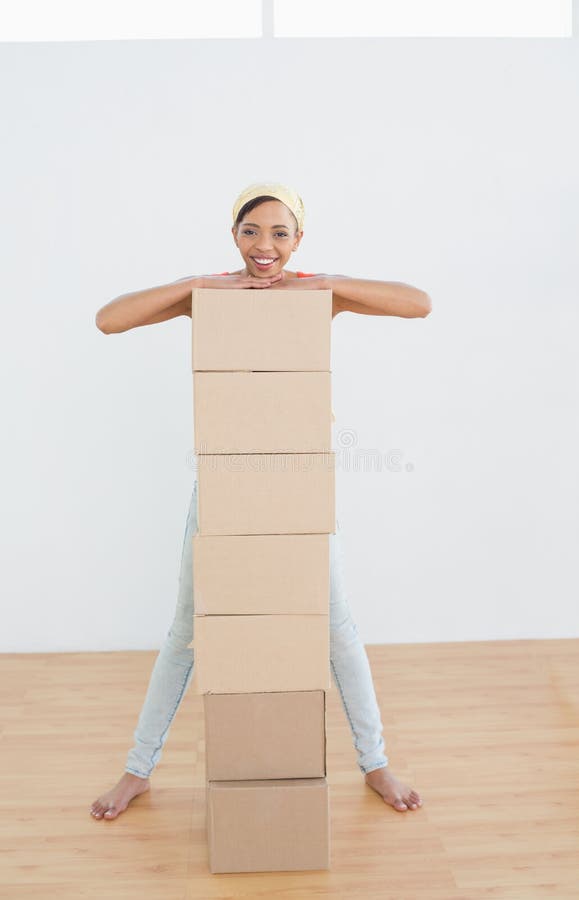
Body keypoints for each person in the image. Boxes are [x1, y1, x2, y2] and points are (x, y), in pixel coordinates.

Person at [91, 182, 431, 821]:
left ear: (299, 239)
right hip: (223, 484)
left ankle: (376, 762)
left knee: (335, 626)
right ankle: (137, 770)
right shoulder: (213, 295)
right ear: (234, 237)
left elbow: (419, 304)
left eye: (280, 233)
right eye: (251, 231)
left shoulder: (315, 295)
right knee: (188, 631)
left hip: (299, 484)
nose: (265, 246)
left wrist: (321, 283)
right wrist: (202, 285)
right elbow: (109, 318)